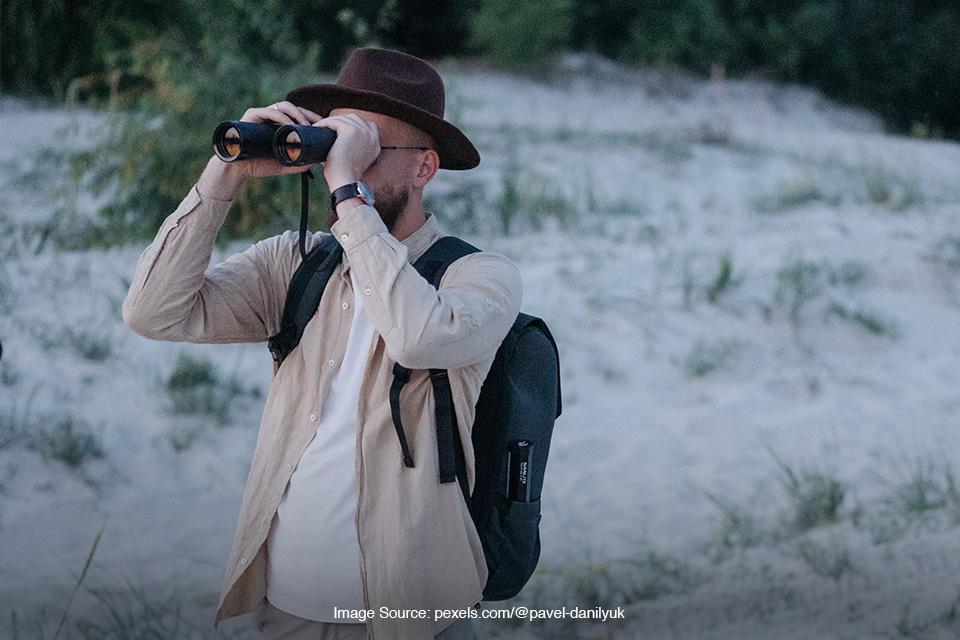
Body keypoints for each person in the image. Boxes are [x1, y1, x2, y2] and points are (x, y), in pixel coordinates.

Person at [122, 48, 522, 640]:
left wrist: (347, 192)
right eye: (336, 137)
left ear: (424, 168)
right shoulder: (297, 263)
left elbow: (415, 336)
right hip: (289, 601)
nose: (342, 156)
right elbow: (153, 313)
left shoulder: (480, 276)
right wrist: (223, 173)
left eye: (366, 144)